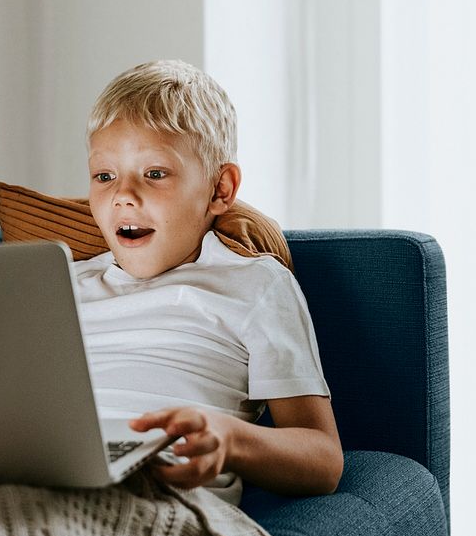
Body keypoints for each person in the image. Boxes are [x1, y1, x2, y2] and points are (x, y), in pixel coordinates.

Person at [74, 60, 342, 506]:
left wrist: (229, 439)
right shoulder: (62, 283)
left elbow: (323, 460)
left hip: (162, 493)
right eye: (105, 176)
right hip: (48, 476)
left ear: (220, 189)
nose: (123, 194)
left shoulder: (254, 284)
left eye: (155, 173)